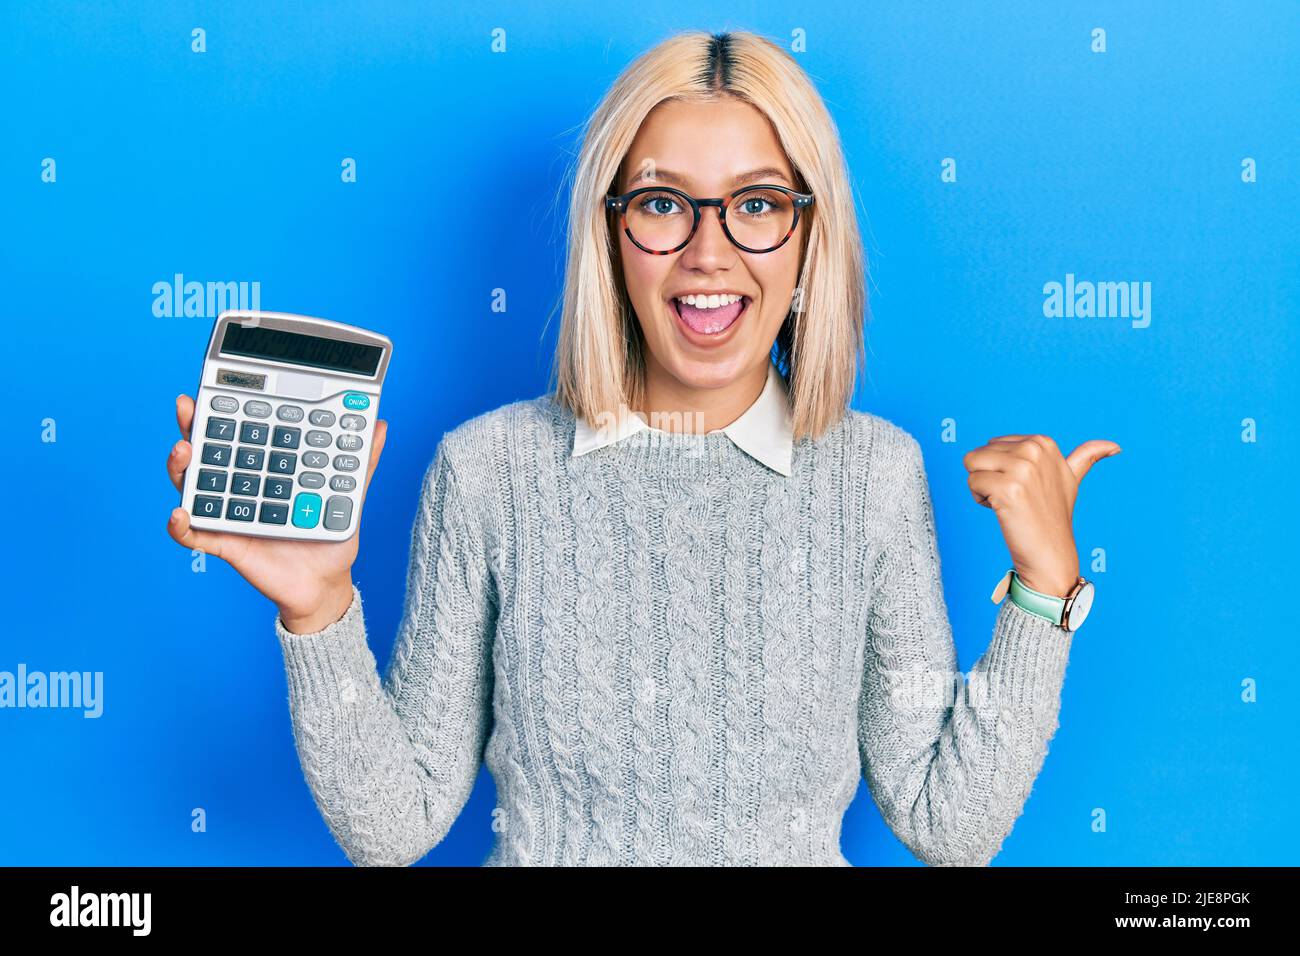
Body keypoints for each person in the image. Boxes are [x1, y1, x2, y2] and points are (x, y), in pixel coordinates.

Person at [163, 29, 1118, 866]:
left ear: (807, 237)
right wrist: (321, 612)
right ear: (611, 233)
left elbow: (948, 826)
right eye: (663, 204)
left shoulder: (875, 475)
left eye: (757, 203)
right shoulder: (487, 472)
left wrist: (1042, 589)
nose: (709, 252)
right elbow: (395, 826)